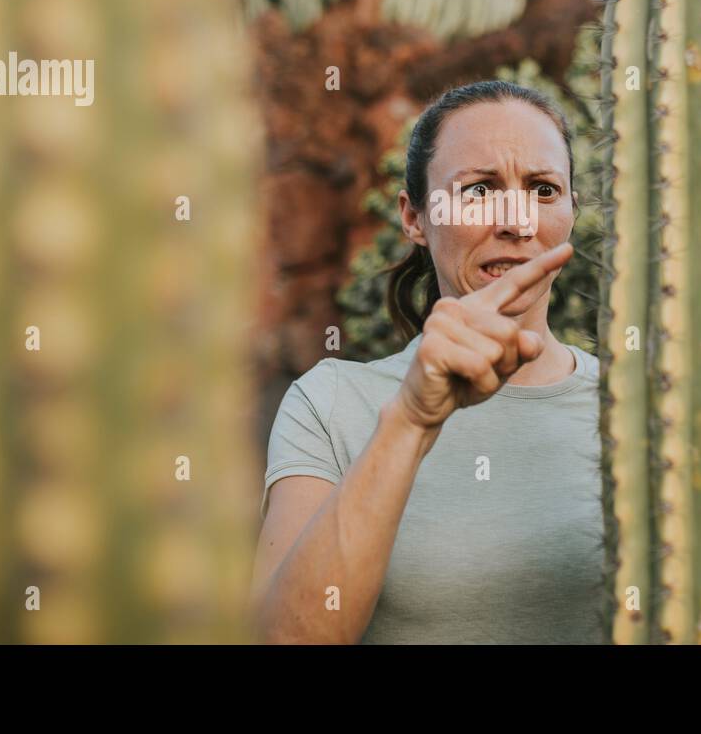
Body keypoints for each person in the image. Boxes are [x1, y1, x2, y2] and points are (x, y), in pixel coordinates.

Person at [249, 80, 603, 644]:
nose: (518, 222)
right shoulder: (333, 404)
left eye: (542, 189)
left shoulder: (637, 408)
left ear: (571, 213)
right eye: (480, 189)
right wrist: (412, 420)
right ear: (414, 218)